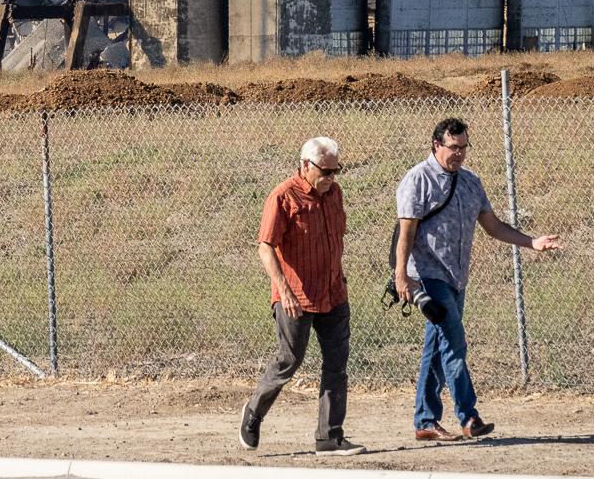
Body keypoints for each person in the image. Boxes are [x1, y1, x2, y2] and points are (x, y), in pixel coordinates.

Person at [394, 116, 562, 441]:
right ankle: (469, 417)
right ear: (436, 145)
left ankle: (425, 421)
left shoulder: (471, 182)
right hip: (428, 278)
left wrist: (532, 242)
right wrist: (401, 276)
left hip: (457, 278)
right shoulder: (417, 180)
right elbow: (406, 233)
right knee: (455, 344)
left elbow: (493, 226)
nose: (458, 153)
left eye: (463, 148)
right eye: (452, 147)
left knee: (436, 347)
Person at [240, 136, 365, 456]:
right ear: (305, 166)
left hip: (334, 292)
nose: (331, 178)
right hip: (295, 296)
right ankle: (254, 412)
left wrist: (337, 276)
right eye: (326, 171)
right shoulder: (283, 197)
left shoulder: (334, 194)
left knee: (336, 364)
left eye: (336, 171)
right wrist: (284, 289)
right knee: (289, 360)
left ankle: (329, 437)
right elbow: (265, 247)